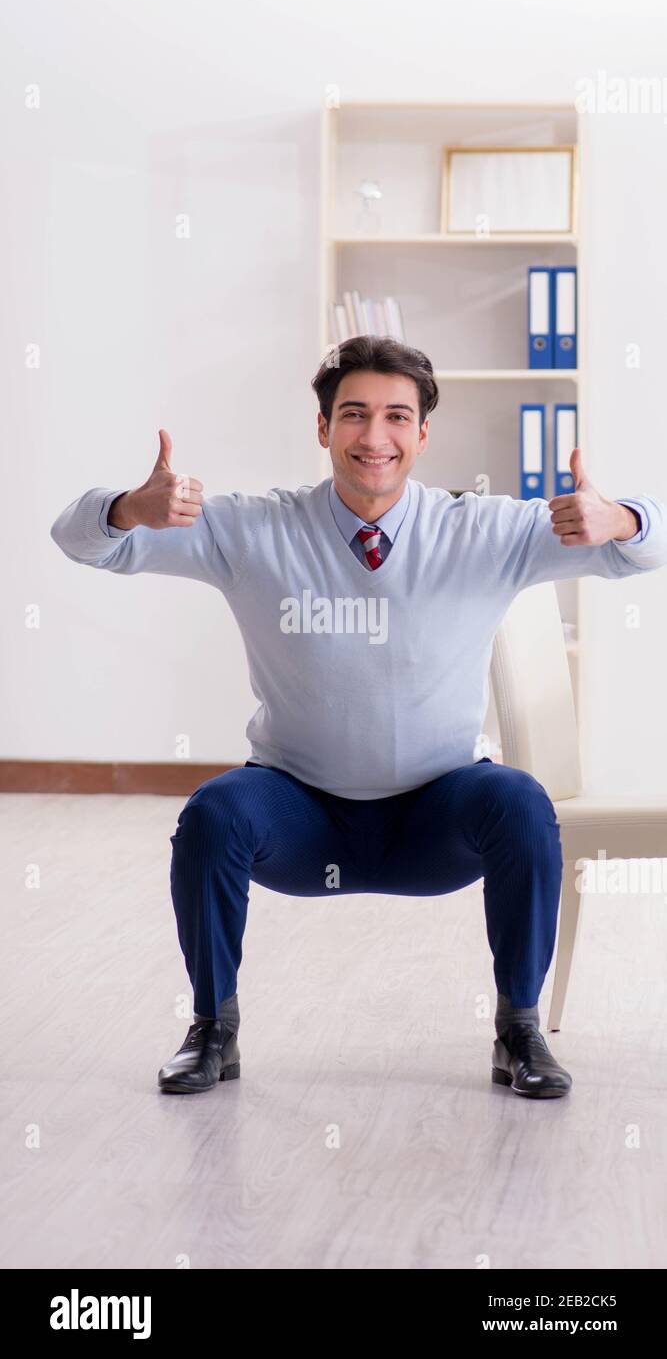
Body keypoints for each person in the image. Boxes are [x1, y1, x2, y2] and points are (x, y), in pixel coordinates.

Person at [50, 336, 667, 1100]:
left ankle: (519, 1029)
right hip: (300, 814)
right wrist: (123, 509)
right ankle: (213, 1028)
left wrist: (624, 519)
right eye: (353, 415)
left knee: (520, 803)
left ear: (421, 434)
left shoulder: (483, 529)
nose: (374, 438)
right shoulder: (251, 528)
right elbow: (78, 540)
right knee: (213, 814)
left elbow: (645, 550)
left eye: (395, 417)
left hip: (435, 816)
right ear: (322, 429)